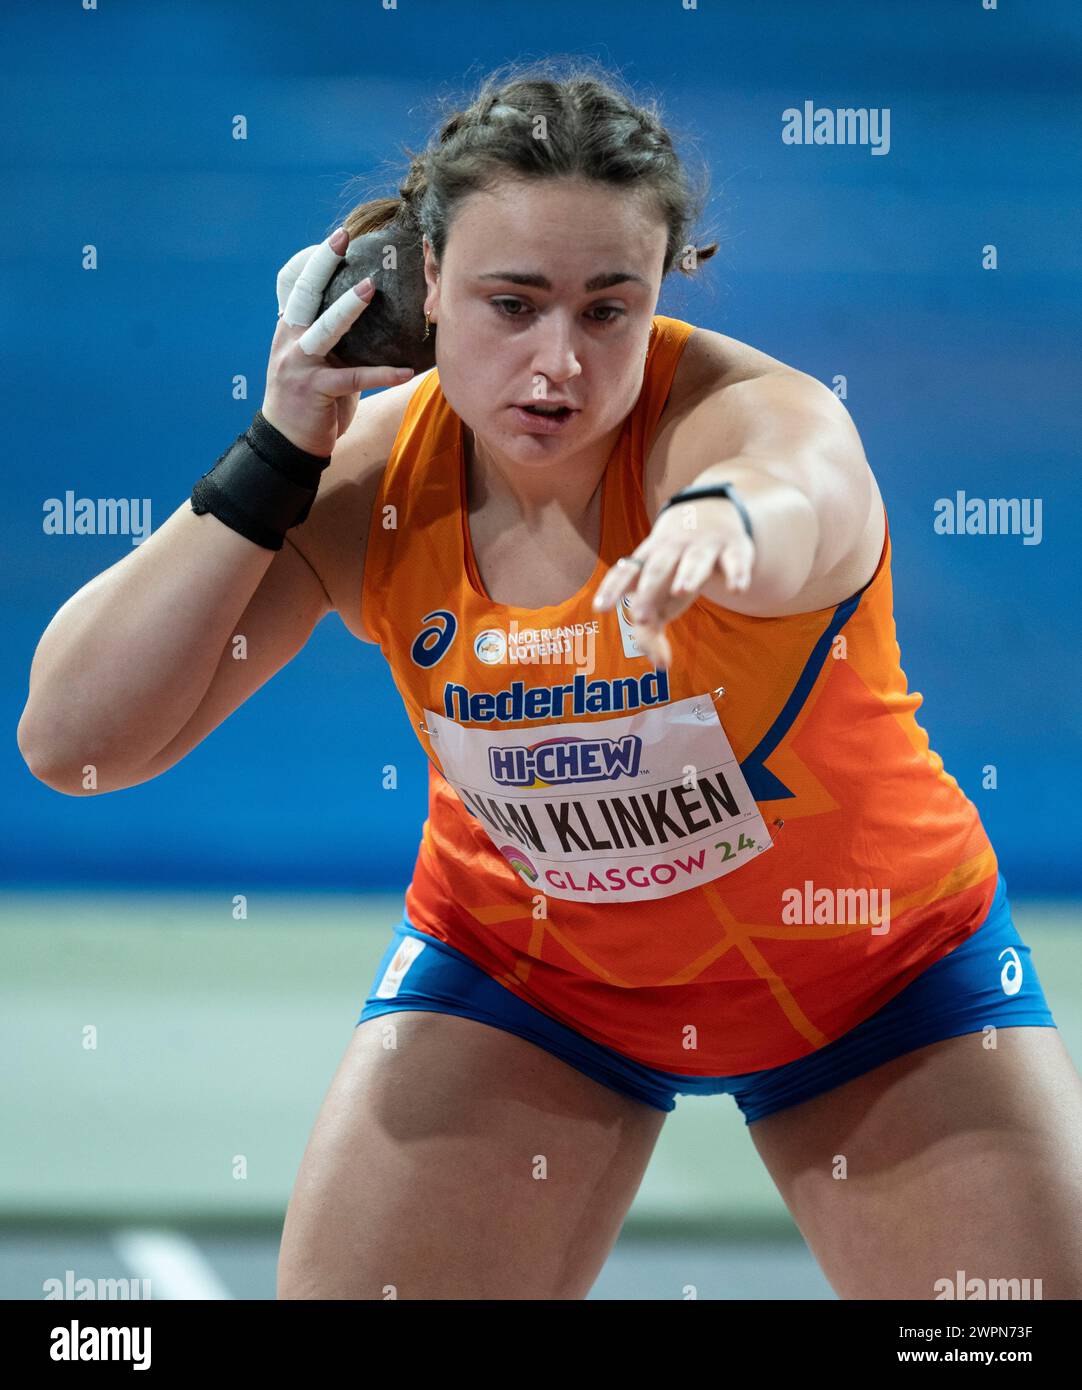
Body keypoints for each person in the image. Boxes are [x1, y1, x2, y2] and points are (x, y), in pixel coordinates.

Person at [17, 61, 1082, 1302]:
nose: (557, 363)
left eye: (604, 310)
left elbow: (804, 488)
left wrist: (723, 526)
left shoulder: (739, 421)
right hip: (529, 984)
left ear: (658, 297)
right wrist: (276, 446)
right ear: (418, 288)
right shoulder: (368, 481)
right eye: (509, 305)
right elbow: (77, 745)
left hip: (878, 978)